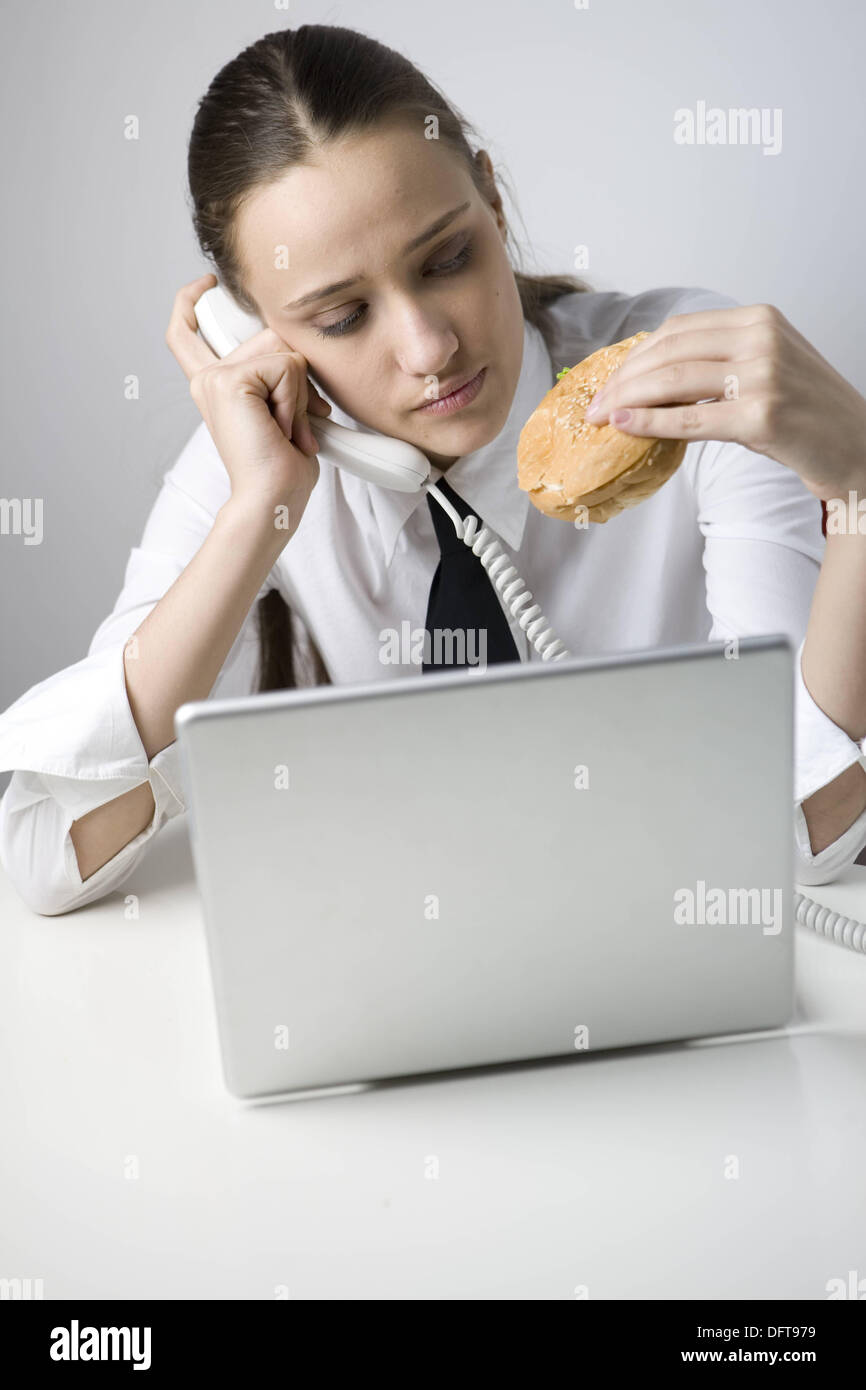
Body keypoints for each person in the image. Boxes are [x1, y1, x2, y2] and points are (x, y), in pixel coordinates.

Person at [1, 23, 865, 917]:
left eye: (448, 259)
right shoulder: (250, 471)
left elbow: (813, 832)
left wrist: (862, 488)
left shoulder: (689, 384)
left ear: (492, 203)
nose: (430, 347)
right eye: (341, 318)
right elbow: (44, 855)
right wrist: (261, 512)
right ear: (247, 330)